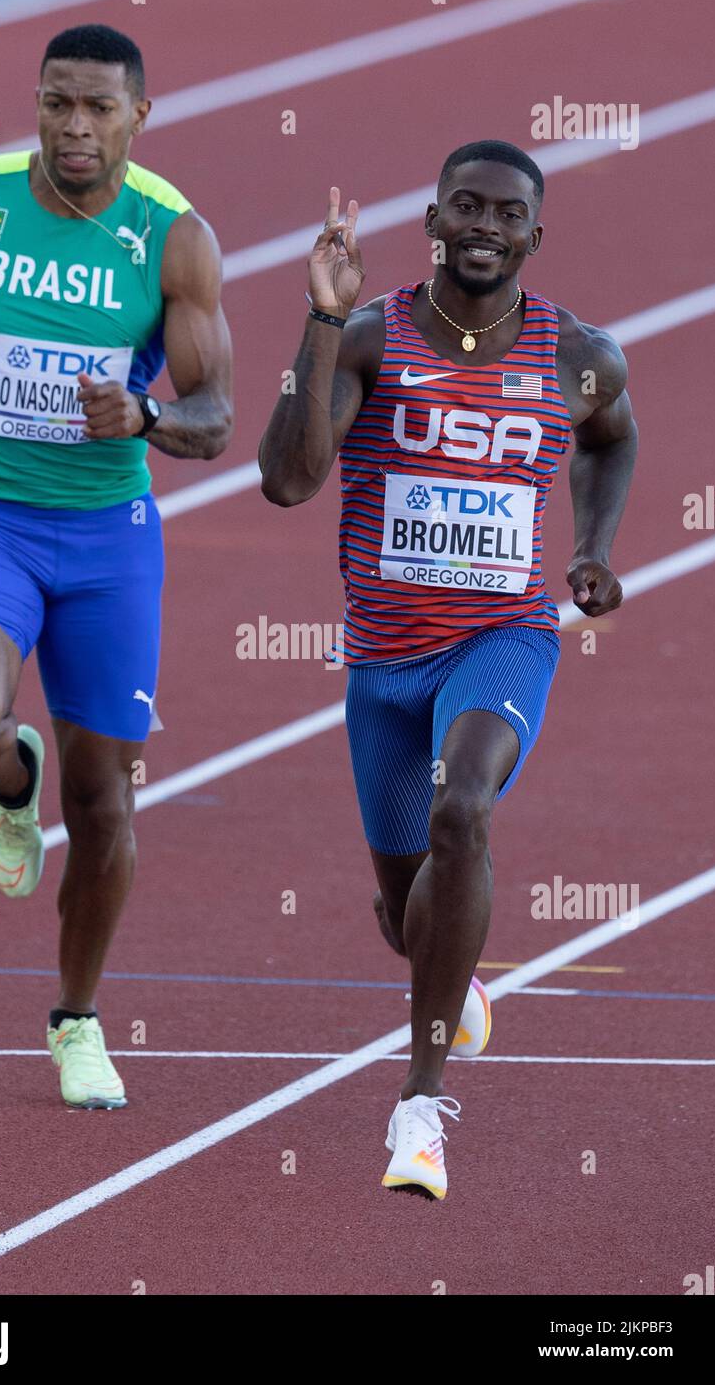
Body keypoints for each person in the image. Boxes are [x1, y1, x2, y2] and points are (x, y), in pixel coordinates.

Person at [0, 23, 233, 1108]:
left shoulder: (172, 238)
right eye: (56, 104)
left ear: (137, 117)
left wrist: (150, 413)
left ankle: (76, 1020)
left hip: (107, 540)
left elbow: (215, 419)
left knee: (107, 799)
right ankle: (6, 778)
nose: (75, 127)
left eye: (98, 109)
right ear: (33, 101)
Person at [259, 141, 637, 1198]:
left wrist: (591, 548)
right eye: (462, 207)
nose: (481, 226)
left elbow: (612, 434)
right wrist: (321, 319)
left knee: (461, 812)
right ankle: (445, 966)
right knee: (403, 916)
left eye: (504, 213)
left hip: (501, 637)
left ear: (532, 234)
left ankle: (417, 1104)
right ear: (430, 217)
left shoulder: (577, 356)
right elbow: (287, 482)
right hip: (384, 659)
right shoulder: (374, 336)